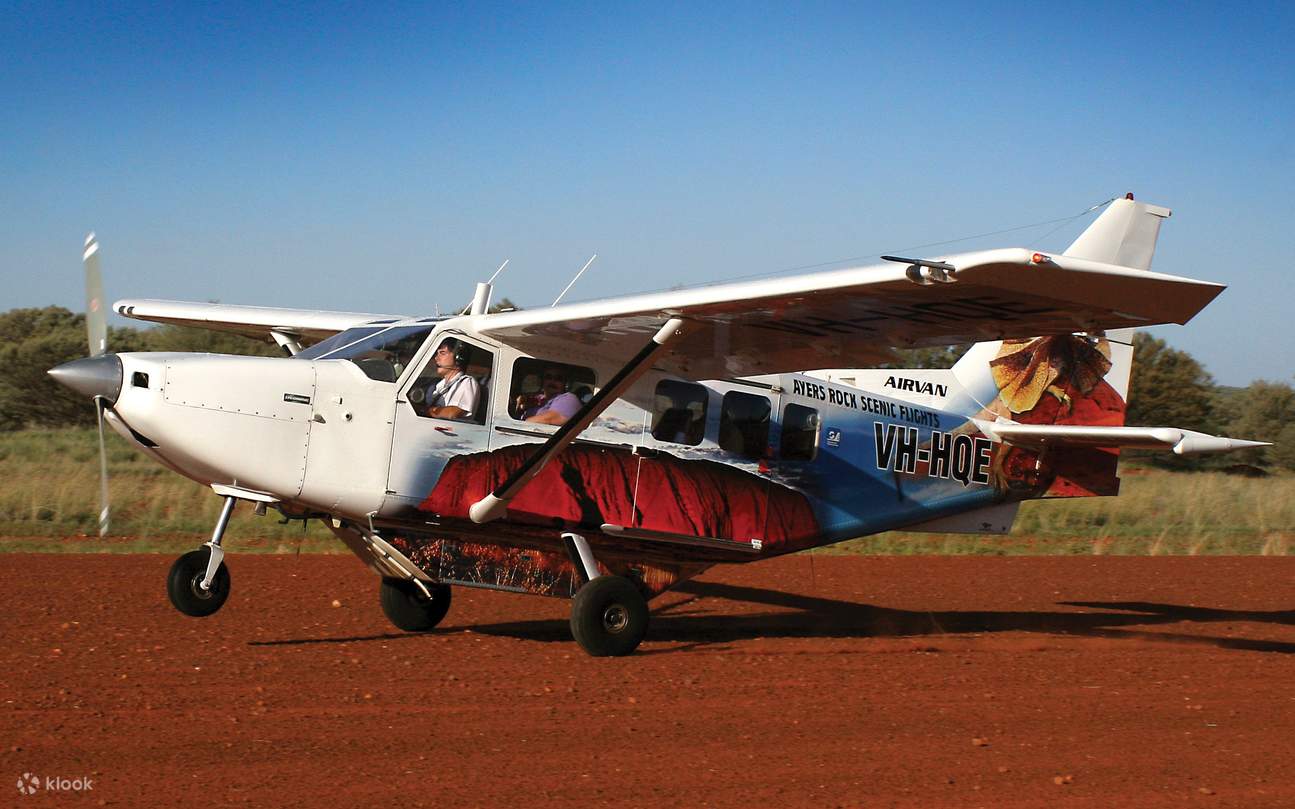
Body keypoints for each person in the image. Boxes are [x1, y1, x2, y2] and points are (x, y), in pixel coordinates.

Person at [425, 338, 480, 421]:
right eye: (437, 353)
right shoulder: (439, 385)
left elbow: (452, 413)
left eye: (442, 353)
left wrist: (428, 411)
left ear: (459, 358)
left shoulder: (466, 382)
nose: (436, 358)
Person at [518, 365, 582, 425]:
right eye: (548, 377)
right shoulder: (538, 398)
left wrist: (520, 424)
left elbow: (547, 419)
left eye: (558, 378)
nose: (552, 381)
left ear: (565, 383)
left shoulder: (569, 399)